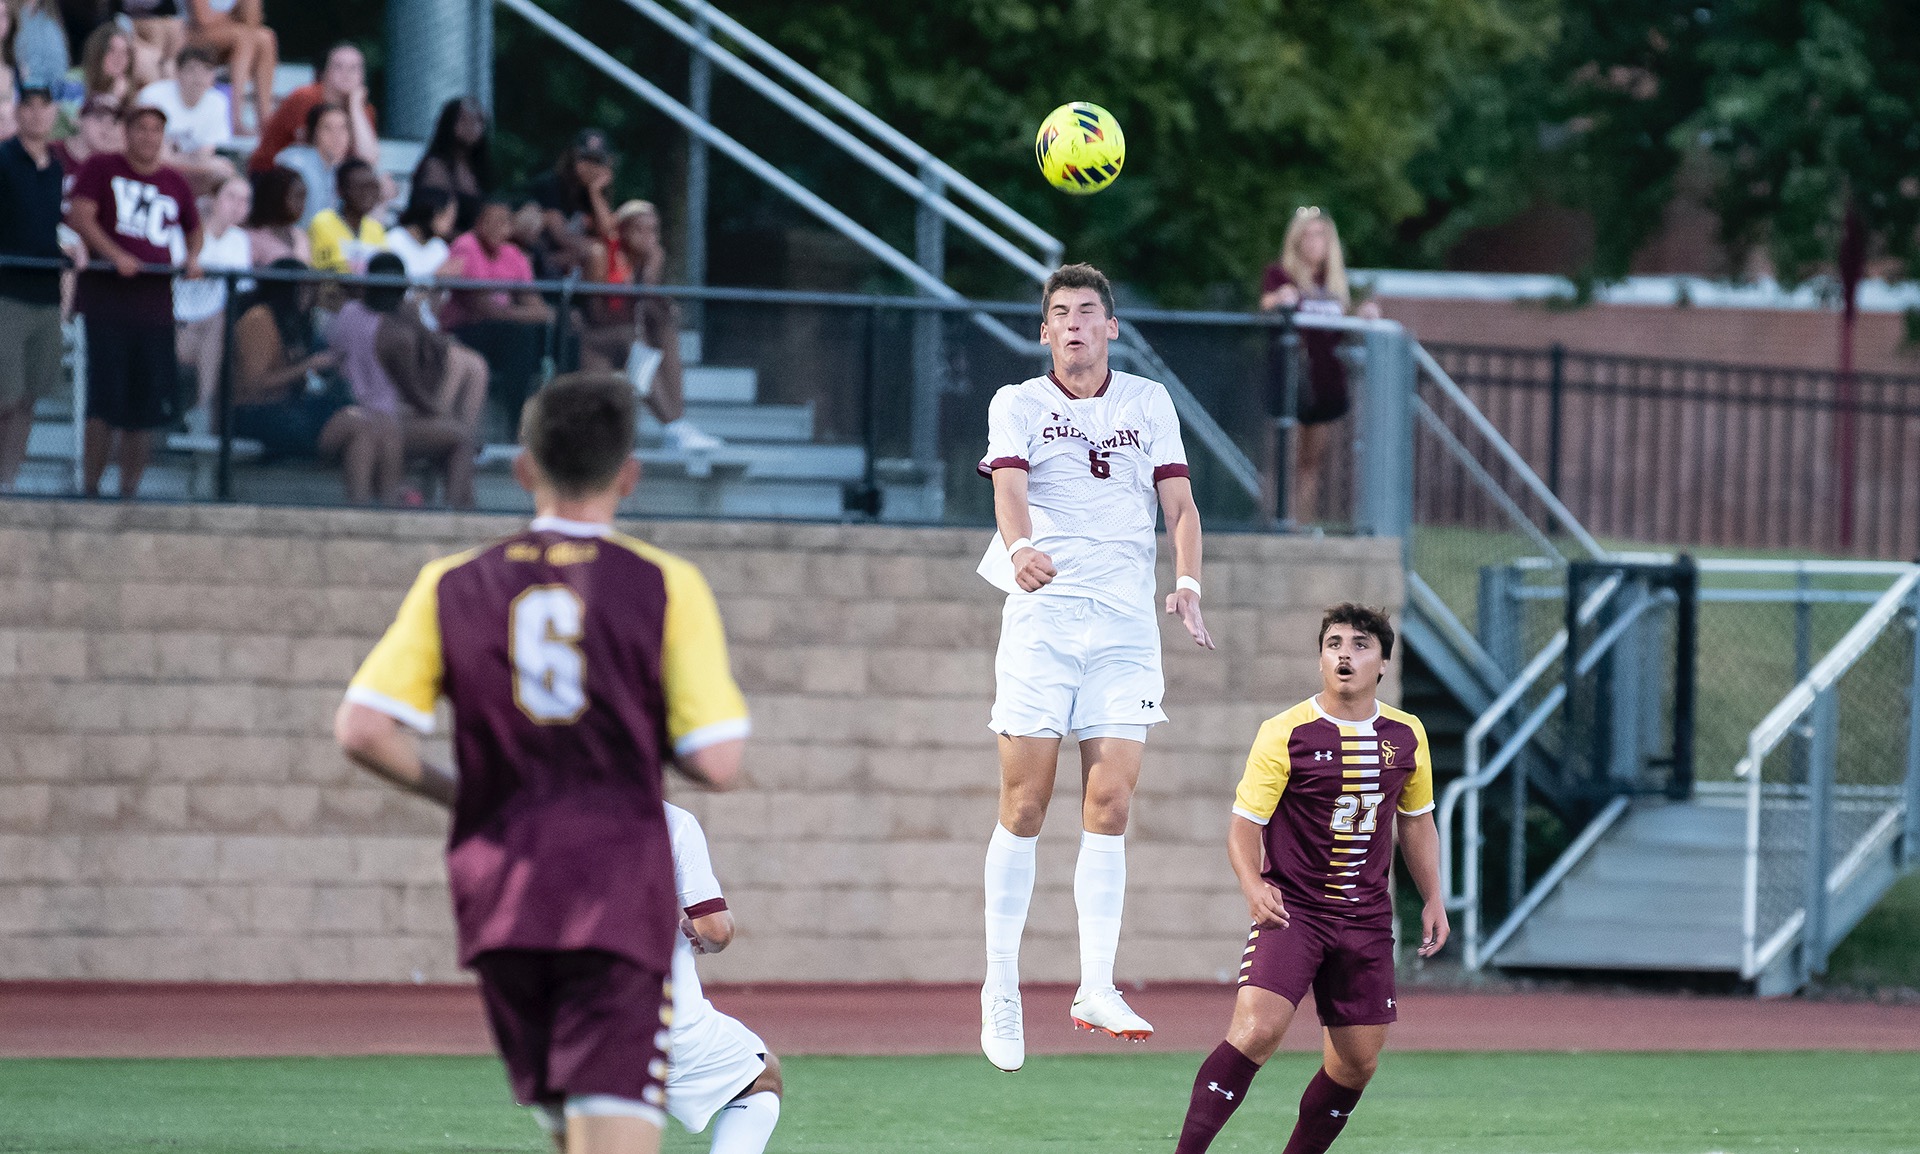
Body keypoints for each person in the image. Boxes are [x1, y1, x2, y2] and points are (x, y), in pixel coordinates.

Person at [333, 370, 750, 1154]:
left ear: (523, 469)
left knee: (573, 1134)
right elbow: (717, 760)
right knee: (616, 1135)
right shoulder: (663, 584)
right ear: (629, 474)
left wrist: (469, 797)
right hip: (611, 892)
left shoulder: (451, 583)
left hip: (502, 898)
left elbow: (362, 730)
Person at [974, 262, 1213, 1072]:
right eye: (1059, 313)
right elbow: (1008, 491)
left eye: (1088, 312)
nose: (1074, 323)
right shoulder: (1019, 402)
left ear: (1112, 327)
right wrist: (1020, 548)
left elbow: (1179, 505)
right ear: (1045, 332)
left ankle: (1095, 985)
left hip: (1122, 626)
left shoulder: (1148, 403)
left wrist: (1184, 582)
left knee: (1109, 804)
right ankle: (1000, 986)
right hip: (1043, 618)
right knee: (1028, 805)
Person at [1172, 604, 1447, 1154]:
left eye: (1361, 644)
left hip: (1367, 920)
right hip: (1294, 912)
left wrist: (1434, 897)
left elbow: (1416, 823)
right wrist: (1253, 885)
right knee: (1255, 1032)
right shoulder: (1285, 732)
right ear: (1321, 658)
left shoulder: (1407, 734)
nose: (1346, 653)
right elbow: (1243, 825)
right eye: (1334, 643)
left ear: (1384, 663)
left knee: (1357, 1063)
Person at [66, 100, 200, 498]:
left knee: (143, 411)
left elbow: (194, 227)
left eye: (156, 129)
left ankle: (129, 492)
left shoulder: (174, 182)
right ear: (126, 132)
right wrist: (114, 255)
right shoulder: (101, 168)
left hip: (155, 310)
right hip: (108, 307)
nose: (148, 136)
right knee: (104, 404)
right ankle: (90, 488)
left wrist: (192, 258)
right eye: (140, 128)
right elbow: (80, 215)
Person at [661, 802, 784, 1154]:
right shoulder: (671, 821)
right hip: (653, 1017)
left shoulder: (529, 809)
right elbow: (715, 931)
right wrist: (700, 930)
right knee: (761, 1074)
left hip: (554, 1020)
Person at [329, 251, 484, 507]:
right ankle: (458, 516)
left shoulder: (348, 312)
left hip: (354, 408)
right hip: (383, 417)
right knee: (462, 439)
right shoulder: (395, 334)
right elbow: (416, 395)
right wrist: (442, 417)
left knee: (450, 428)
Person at [229, 256, 390, 501]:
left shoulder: (295, 322)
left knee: (373, 421)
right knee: (357, 424)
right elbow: (255, 383)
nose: (311, 294)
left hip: (291, 407)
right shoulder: (259, 318)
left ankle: (375, 505)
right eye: (304, 288)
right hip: (255, 411)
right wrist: (307, 365)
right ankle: (362, 505)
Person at [1258, 206, 1380, 528]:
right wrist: (1279, 299)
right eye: (1308, 234)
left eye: (1320, 235)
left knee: (1312, 462)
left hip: (1324, 379)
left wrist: (1362, 313)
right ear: (1296, 240)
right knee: (1283, 457)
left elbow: (1339, 324)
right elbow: (1266, 305)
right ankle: (1273, 522)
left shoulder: (1333, 282)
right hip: (1290, 376)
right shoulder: (1280, 274)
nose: (1314, 242)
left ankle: (1301, 525)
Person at [578, 198, 718, 454]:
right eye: (639, 229)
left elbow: (650, 311)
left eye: (653, 230)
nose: (648, 237)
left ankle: (677, 423)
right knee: (632, 341)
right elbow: (598, 315)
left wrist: (651, 272)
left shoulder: (649, 259)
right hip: (592, 340)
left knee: (665, 330)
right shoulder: (601, 254)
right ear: (622, 230)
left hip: (626, 337)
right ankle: (674, 425)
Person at [0, 83, 65, 491]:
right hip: (7, 293)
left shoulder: (55, 167)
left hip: (47, 295)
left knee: (29, 398)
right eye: (30, 106)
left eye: (45, 106)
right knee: (4, 396)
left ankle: (10, 482)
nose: (38, 114)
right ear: (18, 112)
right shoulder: (3, 160)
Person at [441, 198, 550, 432]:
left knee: (556, 335)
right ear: (479, 224)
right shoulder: (465, 246)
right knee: (519, 335)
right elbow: (478, 305)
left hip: (502, 330)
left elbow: (541, 309)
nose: (497, 228)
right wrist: (520, 314)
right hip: (464, 330)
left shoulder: (513, 254)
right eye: (491, 221)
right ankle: (517, 423)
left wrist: (512, 313)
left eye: (504, 222)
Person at [172, 169, 247, 431]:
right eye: (231, 196)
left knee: (217, 323)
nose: (238, 205)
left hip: (213, 331)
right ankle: (203, 413)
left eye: (244, 200)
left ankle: (204, 410)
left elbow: (238, 293)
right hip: (176, 327)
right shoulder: (185, 232)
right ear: (213, 199)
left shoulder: (240, 240)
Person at [247, 41, 375, 174]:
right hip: (273, 173)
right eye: (338, 66)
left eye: (354, 68)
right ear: (325, 71)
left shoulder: (363, 109)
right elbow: (316, 150)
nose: (346, 74)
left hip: (324, 174)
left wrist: (355, 108)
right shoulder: (305, 97)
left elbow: (368, 159)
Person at [133, 43, 231, 194]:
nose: (198, 78)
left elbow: (205, 154)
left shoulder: (217, 102)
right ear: (178, 72)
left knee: (223, 174)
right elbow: (153, 155)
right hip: (148, 167)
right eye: (192, 70)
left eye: (206, 70)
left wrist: (179, 159)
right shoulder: (153, 95)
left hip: (190, 172)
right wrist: (205, 164)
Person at [525, 128, 616, 275]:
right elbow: (560, 236)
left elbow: (608, 234)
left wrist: (595, 193)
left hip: (569, 261)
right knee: (596, 251)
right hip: (540, 259)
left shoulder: (593, 193)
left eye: (597, 161)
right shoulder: (551, 183)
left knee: (599, 253)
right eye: (585, 158)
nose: (591, 166)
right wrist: (592, 248)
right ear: (572, 157)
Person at [183, 0, 274, 135]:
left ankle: (266, 124)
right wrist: (233, 15)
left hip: (228, 33)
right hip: (191, 34)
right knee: (243, 36)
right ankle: (235, 120)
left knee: (266, 37)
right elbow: (203, 19)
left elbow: (253, 20)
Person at [411, 96, 488, 233]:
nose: (473, 127)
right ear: (449, 122)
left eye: (479, 121)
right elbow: (430, 220)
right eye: (464, 120)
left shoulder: (479, 170)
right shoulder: (435, 166)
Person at [271, 100, 347, 227]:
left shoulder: (337, 170)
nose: (337, 136)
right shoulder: (294, 163)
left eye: (343, 128)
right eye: (327, 128)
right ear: (313, 132)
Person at [307, 156, 384, 274]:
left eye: (372, 186)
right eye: (360, 187)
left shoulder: (376, 228)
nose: (368, 194)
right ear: (340, 190)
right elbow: (325, 270)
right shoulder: (322, 222)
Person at [242, 163, 308, 265]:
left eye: (304, 198)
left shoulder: (300, 236)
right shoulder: (251, 239)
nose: (301, 205)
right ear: (278, 196)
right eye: (296, 197)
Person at [10, 0, 74, 94]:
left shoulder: (49, 24)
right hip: (16, 91)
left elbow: (59, 66)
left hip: (47, 93)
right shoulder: (10, 20)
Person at [116, 0, 181, 86]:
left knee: (174, 26)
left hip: (157, 21)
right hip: (124, 22)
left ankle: (163, 65)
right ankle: (158, 64)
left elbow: (171, 10)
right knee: (149, 58)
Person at [76, 21, 131, 105]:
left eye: (124, 52)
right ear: (97, 53)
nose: (119, 59)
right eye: (112, 50)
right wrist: (112, 98)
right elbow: (73, 116)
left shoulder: (127, 90)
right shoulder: (75, 80)